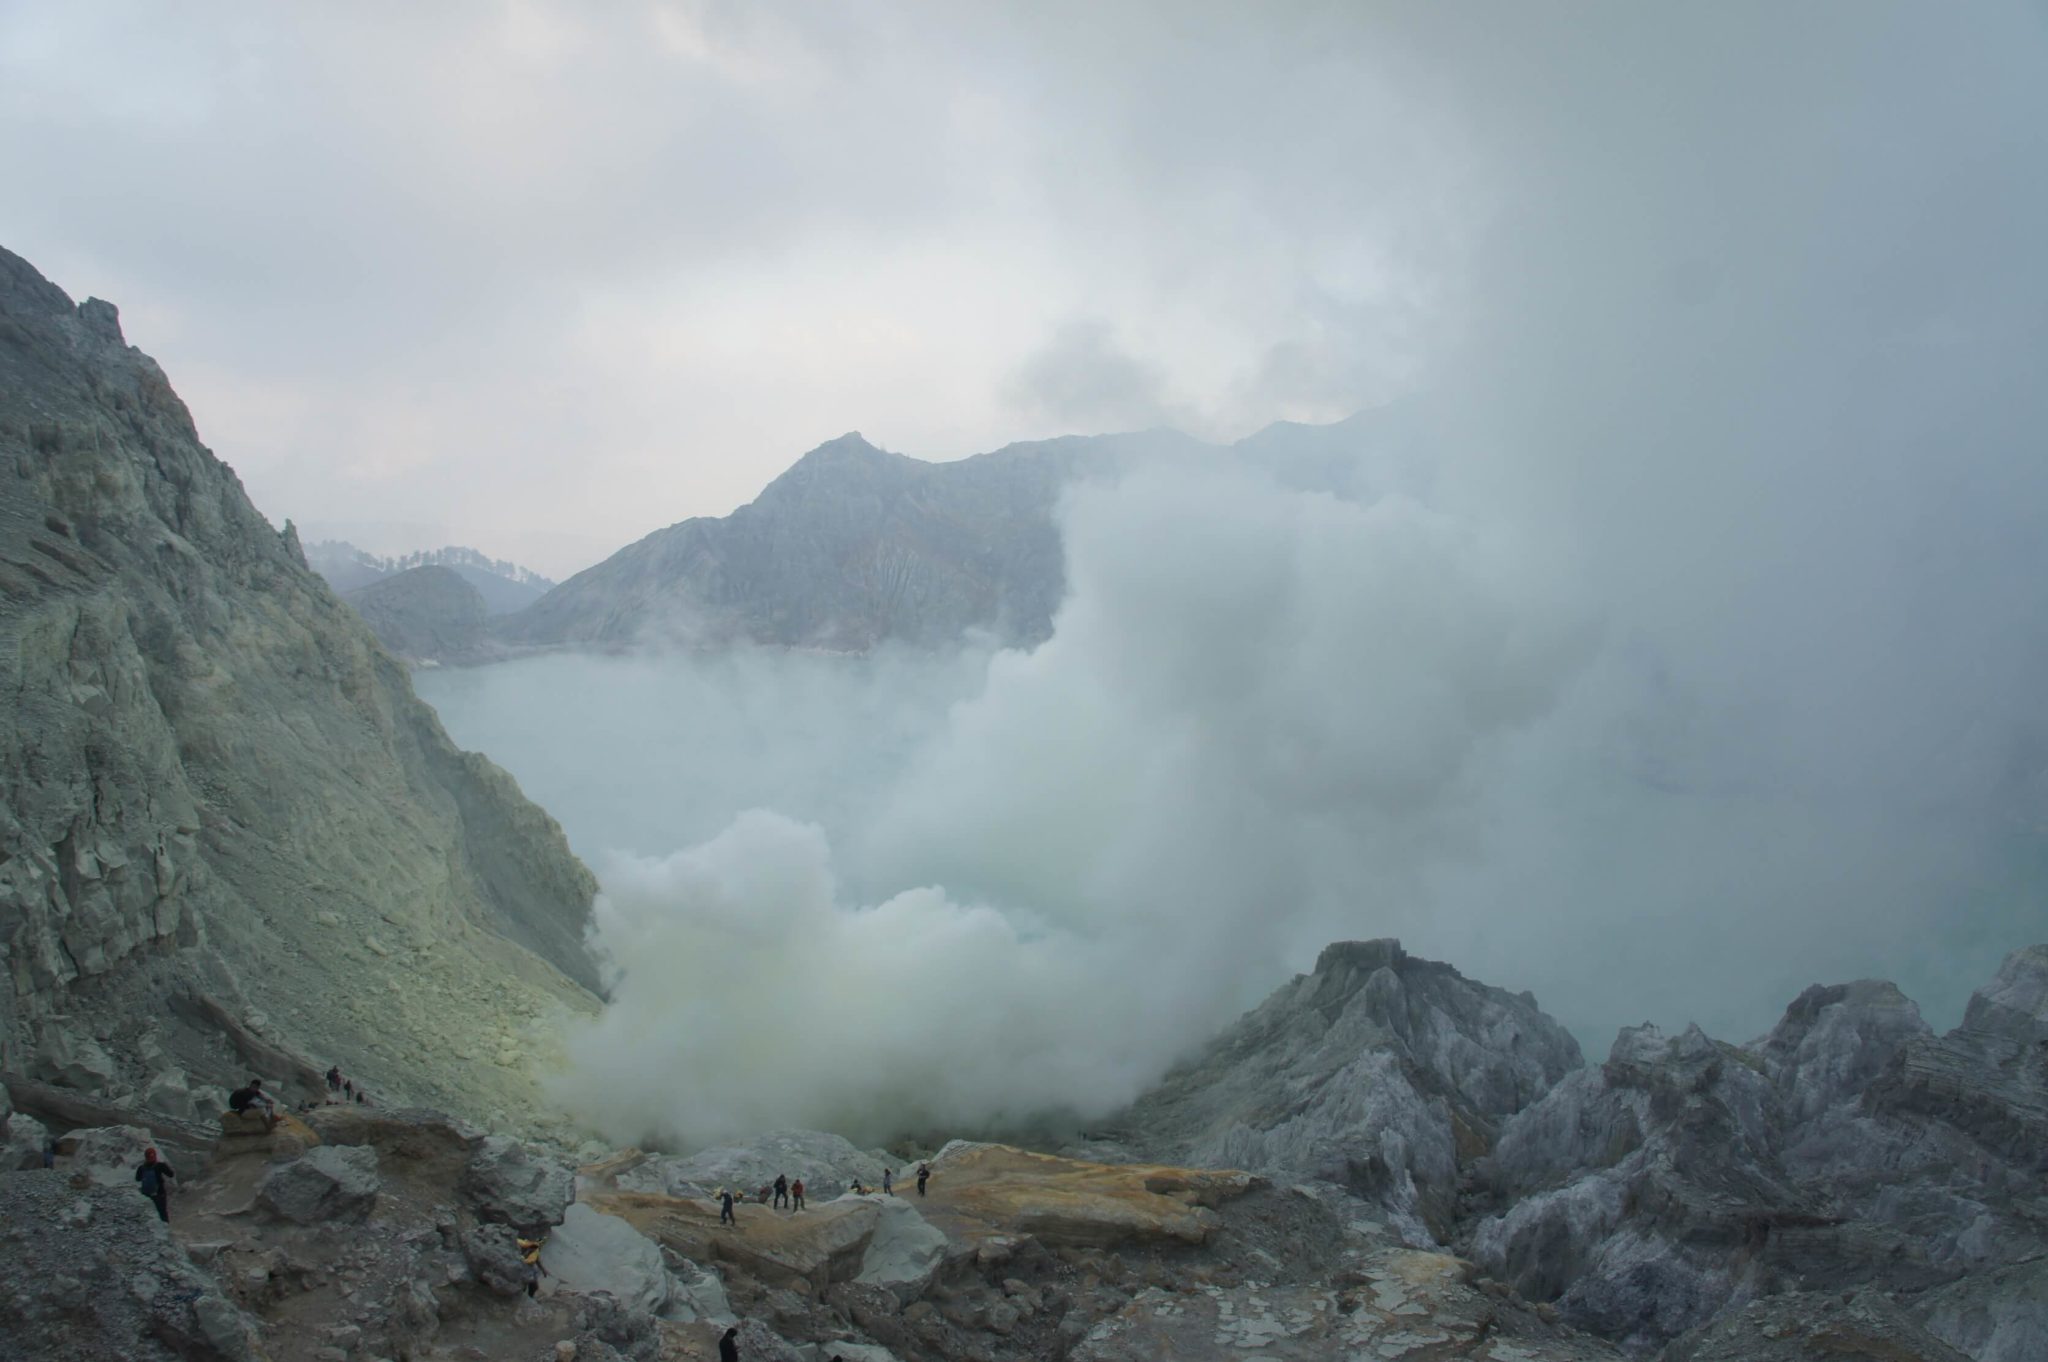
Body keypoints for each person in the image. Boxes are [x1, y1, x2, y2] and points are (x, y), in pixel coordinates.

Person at [134, 1147, 177, 1222]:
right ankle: (165, 1230)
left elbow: (137, 1179)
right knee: (162, 1213)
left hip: (146, 1194)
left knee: (148, 1213)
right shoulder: (160, 1165)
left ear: (145, 1157)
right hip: (159, 1193)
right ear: (155, 1156)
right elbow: (171, 1174)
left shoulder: (141, 1168)